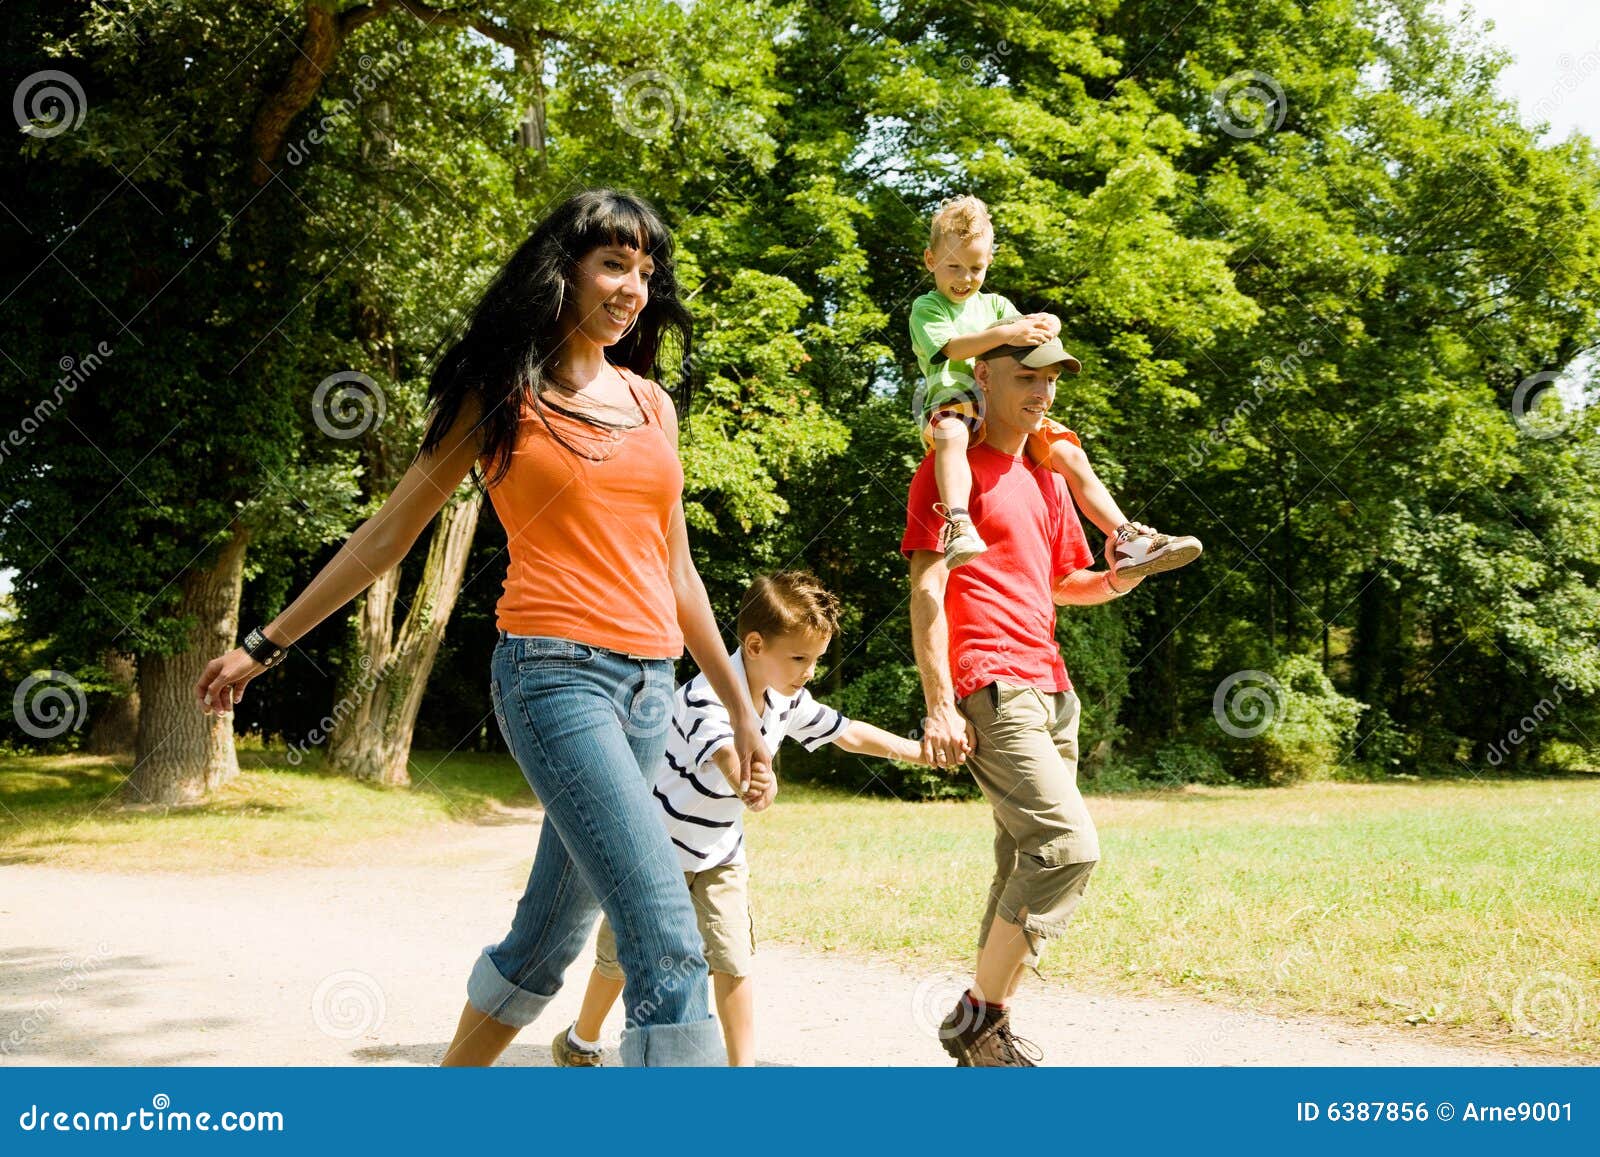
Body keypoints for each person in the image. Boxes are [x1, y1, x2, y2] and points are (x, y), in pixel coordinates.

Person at [195, 188, 771, 1068]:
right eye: (614, 263)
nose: (633, 288)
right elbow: (388, 534)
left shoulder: (653, 405)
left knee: (548, 939)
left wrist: (738, 709)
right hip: (553, 675)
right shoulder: (501, 393)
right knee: (664, 931)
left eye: (646, 271)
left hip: (653, 689)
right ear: (563, 270)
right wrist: (264, 644)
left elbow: (679, 572)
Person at [553, 571, 930, 1066]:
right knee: (621, 960)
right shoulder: (703, 696)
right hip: (654, 854)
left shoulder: (785, 696)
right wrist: (755, 780)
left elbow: (846, 732)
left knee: (732, 958)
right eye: (799, 658)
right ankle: (581, 1040)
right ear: (754, 645)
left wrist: (917, 751)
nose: (809, 672)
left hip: (718, 854)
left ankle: (742, 1071)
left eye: (815, 659)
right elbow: (728, 757)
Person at [903, 328, 1149, 1067]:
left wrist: (1116, 580)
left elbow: (1062, 582)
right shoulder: (949, 471)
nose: (1042, 393)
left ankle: (984, 1039)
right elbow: (927, 589)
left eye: (1052, 382)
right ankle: (979, 1014)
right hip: (992, 683)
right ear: (982, 376)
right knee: (1067, 846)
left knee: (1021, 861)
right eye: (1026, 378)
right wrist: (941, 702)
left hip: (1053, 687)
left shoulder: (1047, 479)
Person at [909, 194, 1201, 577]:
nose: (965, 279)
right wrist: (1013, 331)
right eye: (954, 267)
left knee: (1071, 454)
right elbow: (951, 347)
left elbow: (1033, 331)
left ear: (989, 263)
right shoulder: (929, 307)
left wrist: (1049, 325)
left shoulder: (996, 306)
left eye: (976, 268)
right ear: (931, 261)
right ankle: (960, 522)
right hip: (957, 400)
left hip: (1003, 405)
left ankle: (1127, 537)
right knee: (950, 434)